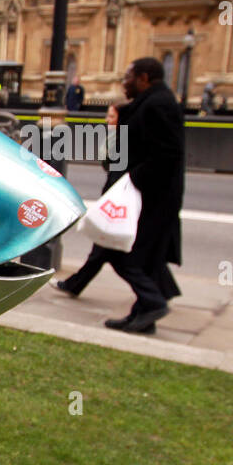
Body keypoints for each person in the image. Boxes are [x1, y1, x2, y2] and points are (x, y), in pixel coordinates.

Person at [103, 57, 184, 334]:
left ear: (144, 78)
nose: (124, 82)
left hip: (152, 198)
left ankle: (152, 302)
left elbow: (168, 154)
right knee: (146, 257)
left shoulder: (159, 104)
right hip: (150, 196)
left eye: (128, 76)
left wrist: (130, 179)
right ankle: (143, 314)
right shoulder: (151, 102)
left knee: (122, 253)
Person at [53, 102, 127, 298]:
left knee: (107, 251)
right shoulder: (118, 139)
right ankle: (75, 284)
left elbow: (115, 171)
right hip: (116, 203)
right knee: (103, 250)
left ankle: (153, 297)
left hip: (117, 204)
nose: (106, 121)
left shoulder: (123, 141)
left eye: (111, 117)